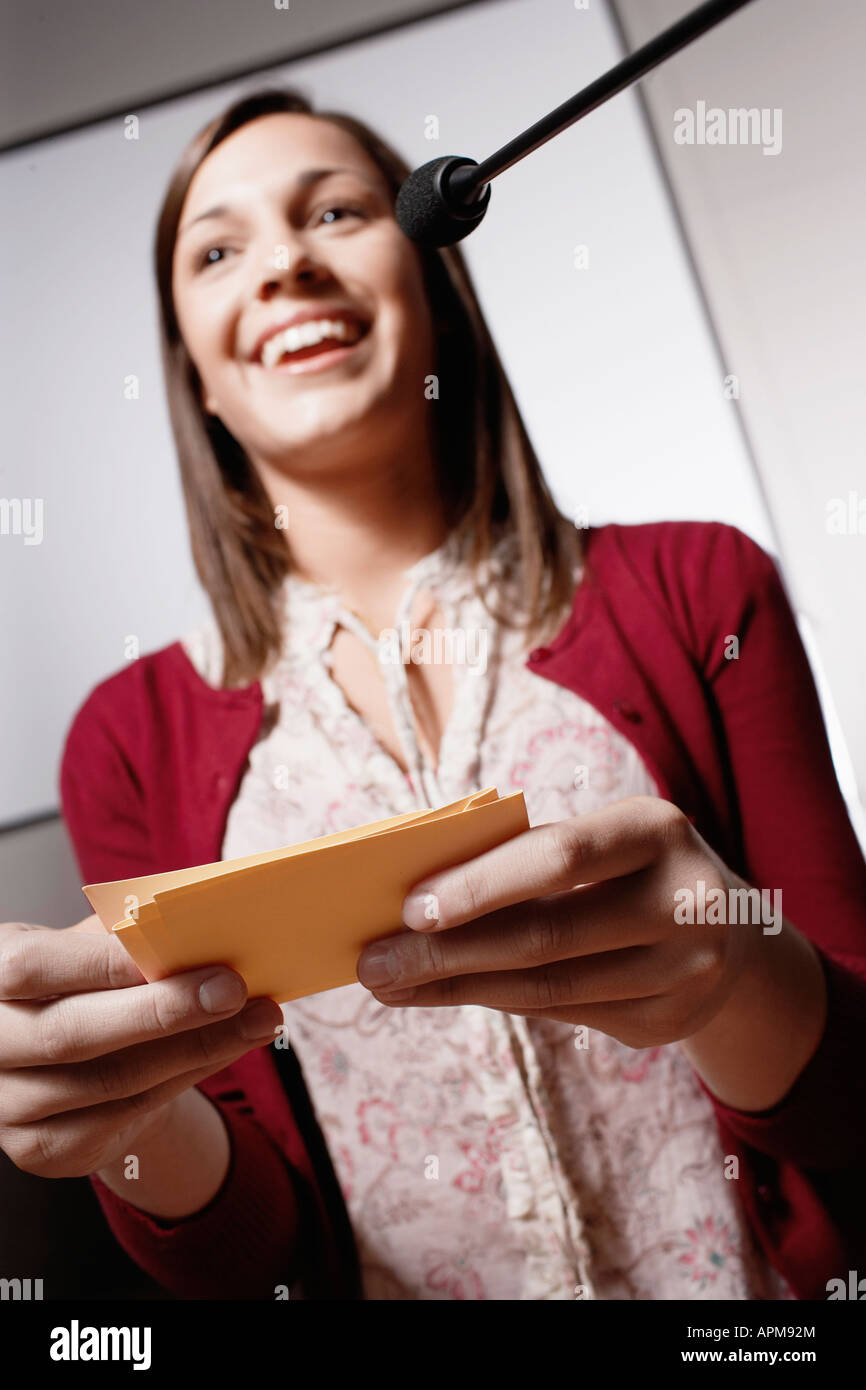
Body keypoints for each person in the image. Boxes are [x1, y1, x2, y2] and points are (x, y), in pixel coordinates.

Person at [2, 87, 865, 1302]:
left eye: (338, 212)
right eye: (218, 249)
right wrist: (120, 1129)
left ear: (436, 288)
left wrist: (733, 965)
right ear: (193, 373)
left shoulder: (702, 584)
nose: (287, 262)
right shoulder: (125, 740)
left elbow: (853, 1097)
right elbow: (262, 1263)